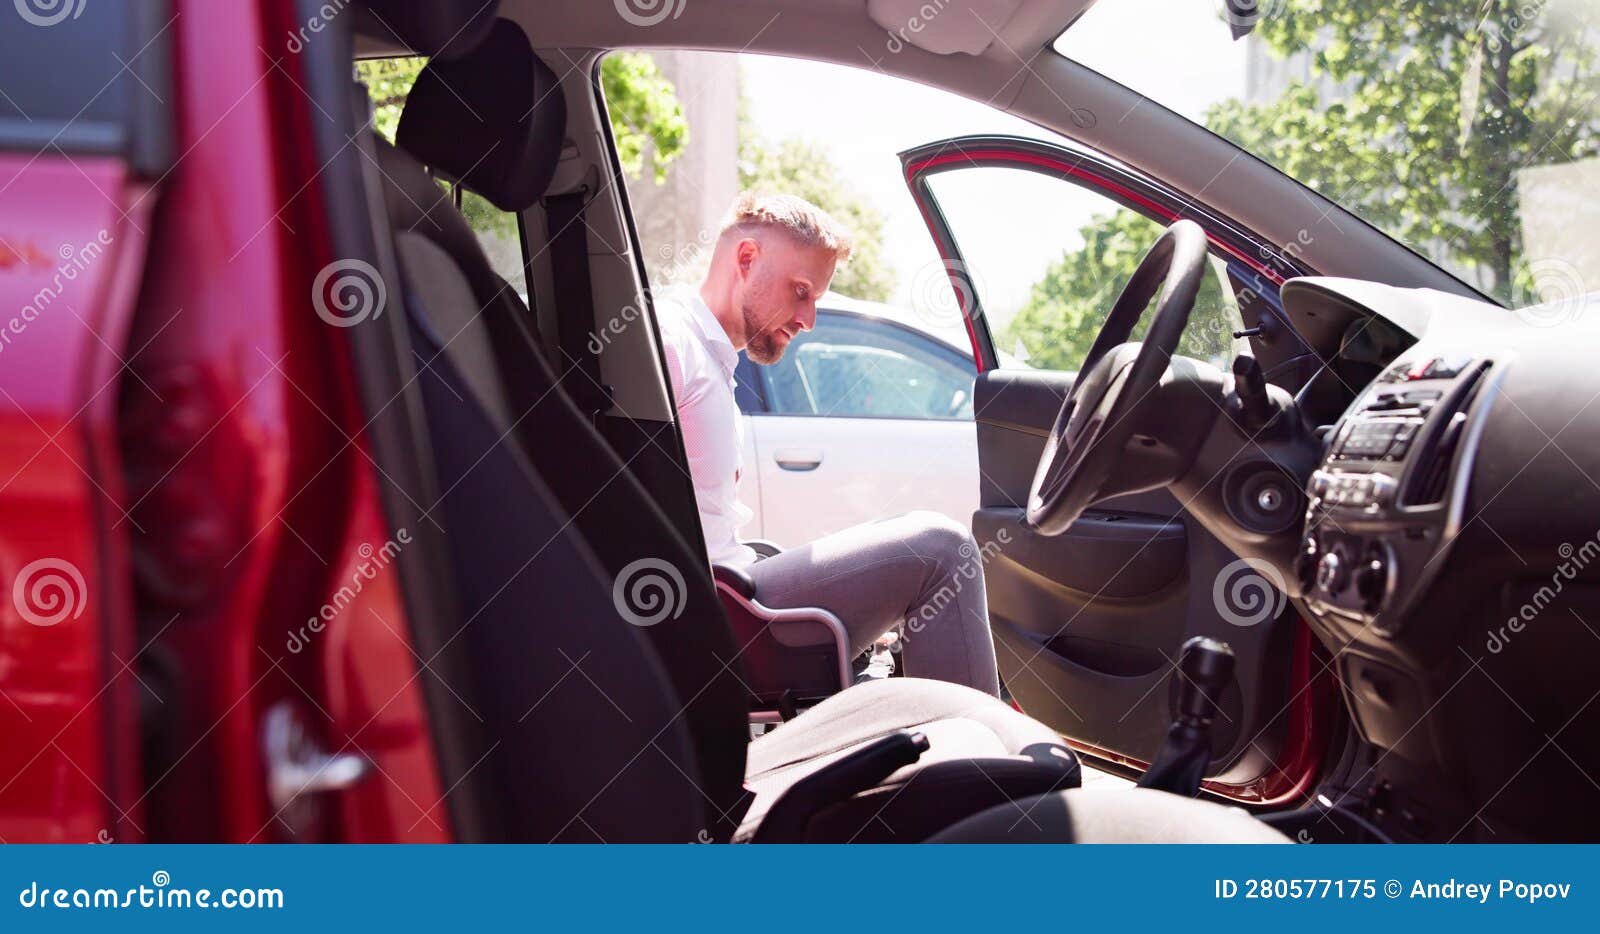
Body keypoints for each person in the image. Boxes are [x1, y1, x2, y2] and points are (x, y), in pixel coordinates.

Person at [653, 192, 1000, 697]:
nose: (808, 318)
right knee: (943, 550)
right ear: (746, 260)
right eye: (801, 291)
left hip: (733, 587)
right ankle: (975, 764)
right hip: (714, 613)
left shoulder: (709, 357)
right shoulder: (670, 339)